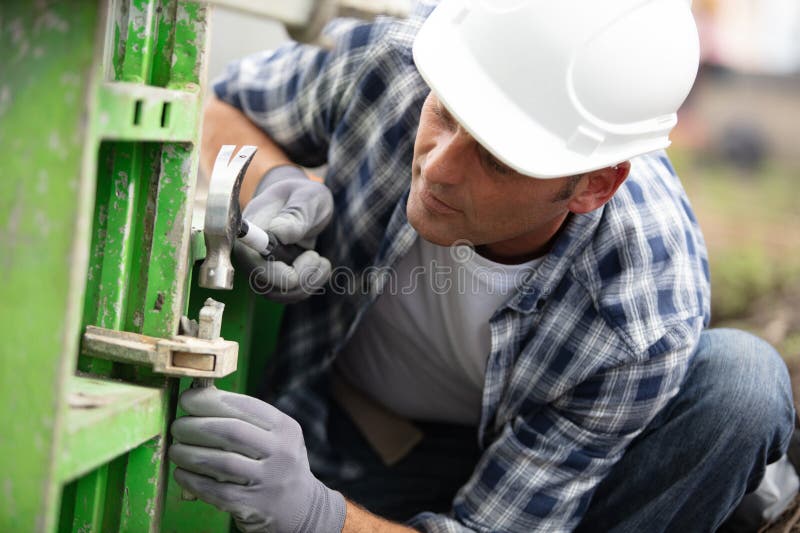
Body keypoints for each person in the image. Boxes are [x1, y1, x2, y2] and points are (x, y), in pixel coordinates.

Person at [168, 1, 796, 531]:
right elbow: (221, 106)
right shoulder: (400, 57)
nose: (438, 168)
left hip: (530, 477)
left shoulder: (640, 310)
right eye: (444, 115)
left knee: (743, 386)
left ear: (594, 185)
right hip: (326, 416)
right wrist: (271, 178)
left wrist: (317, 515)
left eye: (497, 160)